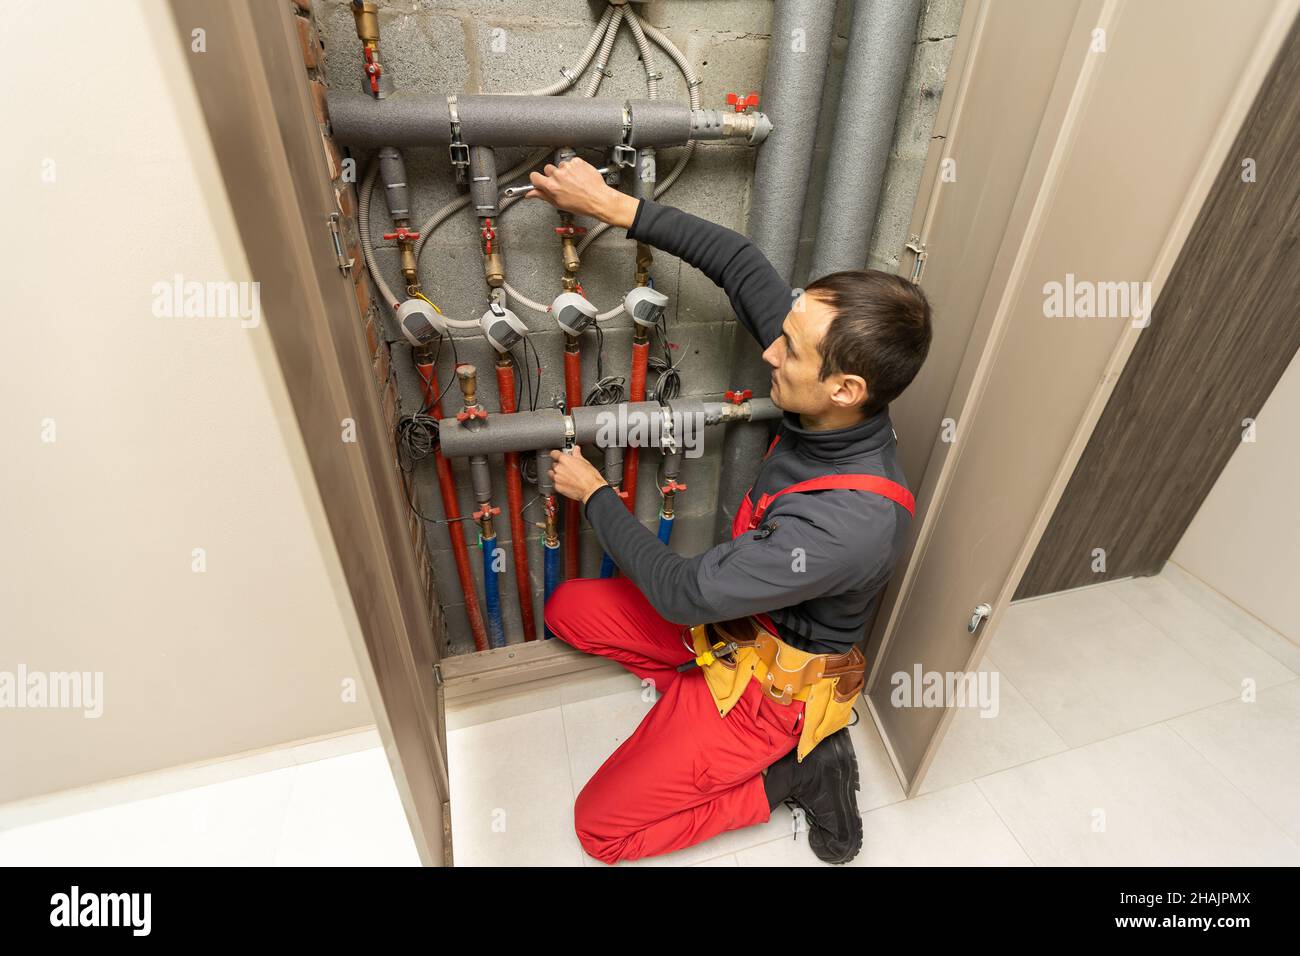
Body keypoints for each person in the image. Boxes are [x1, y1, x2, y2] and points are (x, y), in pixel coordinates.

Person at [527, 157, 932, 865]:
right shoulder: (837, 400)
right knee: (568, 609)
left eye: (791, 350)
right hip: (728, 628)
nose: (770, 348)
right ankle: (688, 695)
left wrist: (594, 494)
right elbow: (739, 259)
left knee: (602, 831)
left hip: (769, 692)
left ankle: (794, 772)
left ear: (846, 387)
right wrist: (613, 205)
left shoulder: (849, 524)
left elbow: (684, 595)